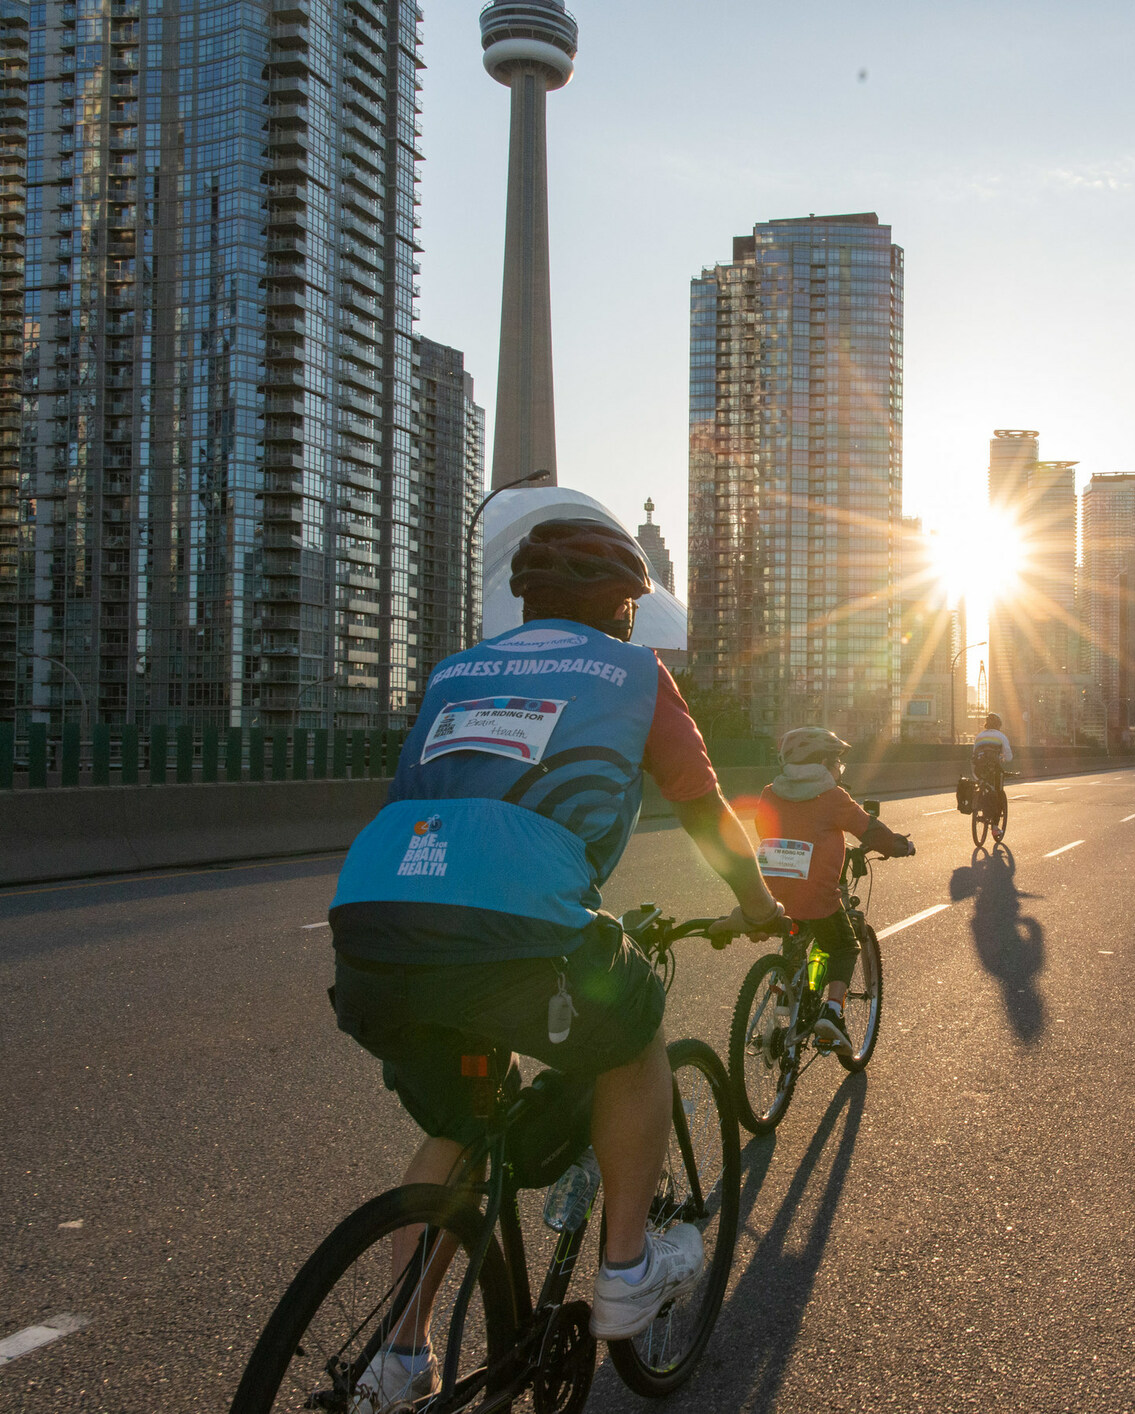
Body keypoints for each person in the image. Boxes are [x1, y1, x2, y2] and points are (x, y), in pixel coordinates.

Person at [324, 518, 790, 1402]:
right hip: (517, 926)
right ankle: (624, 1273)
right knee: (634, 1023)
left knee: (459, 1122)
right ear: (624, 607)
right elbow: (705, 812)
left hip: (376, 918)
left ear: (525, 602)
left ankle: (400, 1353)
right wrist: (758, 907)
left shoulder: (456, 670)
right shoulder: (633, 673)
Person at [754, 727, 916, 1046]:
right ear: (823, 763)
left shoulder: (769, 792)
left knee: (795, 934)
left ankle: (788, 993)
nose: (838, 770)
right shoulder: (832, 798)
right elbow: (869, 830)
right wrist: (899, 846)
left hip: (774, 892)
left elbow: (765, 828)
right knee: (843, 945)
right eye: (836, 763)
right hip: (816, 897)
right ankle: (832, 1013)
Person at [969, 714, 1014, 824]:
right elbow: (1008, 756)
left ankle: (981, 804)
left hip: (978, 769)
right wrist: (1003, 759)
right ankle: (995, 827)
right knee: (997, 793)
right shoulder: (1001, 736)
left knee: (983, 786)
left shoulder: (979, 736)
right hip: (992, 768)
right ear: (999, 725)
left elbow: (974, 753)